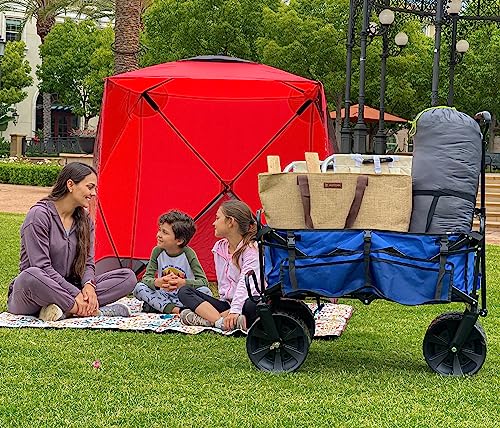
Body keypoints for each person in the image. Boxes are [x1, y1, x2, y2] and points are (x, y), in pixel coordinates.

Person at [7, 162, 137, 322]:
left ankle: (65, 310)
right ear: (70, 185)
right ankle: (88, 310)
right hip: (34, 291)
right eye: (90, 187)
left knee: (127, 277)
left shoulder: (85, 222)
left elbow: (88, 264)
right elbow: (41, 267)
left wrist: (89, 286)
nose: (94, 193)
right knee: (31, 275)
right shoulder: (38, 216)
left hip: (70, 287)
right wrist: (76, 294)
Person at [178, 200, 260, 331]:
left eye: (217, 218)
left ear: (230, 222)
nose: (213, 223)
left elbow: (246, 283)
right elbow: (223, 285)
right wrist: (227, 311)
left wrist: (235, 310)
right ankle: (221, 321)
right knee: (184, 291)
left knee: (253, 305)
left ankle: (209, 319)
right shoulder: (219, 248)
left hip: (246, 302)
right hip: (227, 304)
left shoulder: (252, 249)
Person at [133, 210, 212, 314]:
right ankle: (177, 310)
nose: (159, 235)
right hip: (164, 295)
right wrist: (157, 282)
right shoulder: (157, 251)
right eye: (160, 230)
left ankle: (159, 307)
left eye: (165, 232)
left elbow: (203, 282)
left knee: (206, 292)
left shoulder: (188, 254)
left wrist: (183, 283)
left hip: (184, 296)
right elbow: (146, 278)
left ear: (179, 240)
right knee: (139, 288)